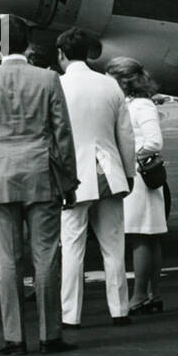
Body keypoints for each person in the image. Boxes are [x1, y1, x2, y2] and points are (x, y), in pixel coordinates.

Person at [0, 16, 77, 354]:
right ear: (27, 43)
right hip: (41, 175)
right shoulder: (47, 79)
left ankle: (14, 336)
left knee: (8, 260)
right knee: (46, 257)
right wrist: (69, 179)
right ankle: (50, 334)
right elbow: (62, 134)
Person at [57, 28, 136, 328]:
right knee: (113, 246)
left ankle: (70, 315)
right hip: (109, 171)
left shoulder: (58, 86)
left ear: (62, 54)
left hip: (73, 176)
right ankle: (119, 310)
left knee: (72, 248)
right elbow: (126, 136)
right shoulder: (110, 85)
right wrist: (128, 174)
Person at [106, 57, 168, 313]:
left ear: (124, 81)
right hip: (142, 177)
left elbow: (154, 141)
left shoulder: (141, 106)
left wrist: (128, 155)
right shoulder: (134, 103)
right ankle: (152, 295)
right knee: (149, 237)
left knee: (140, 237)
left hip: (139, 177)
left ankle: (139, 295)